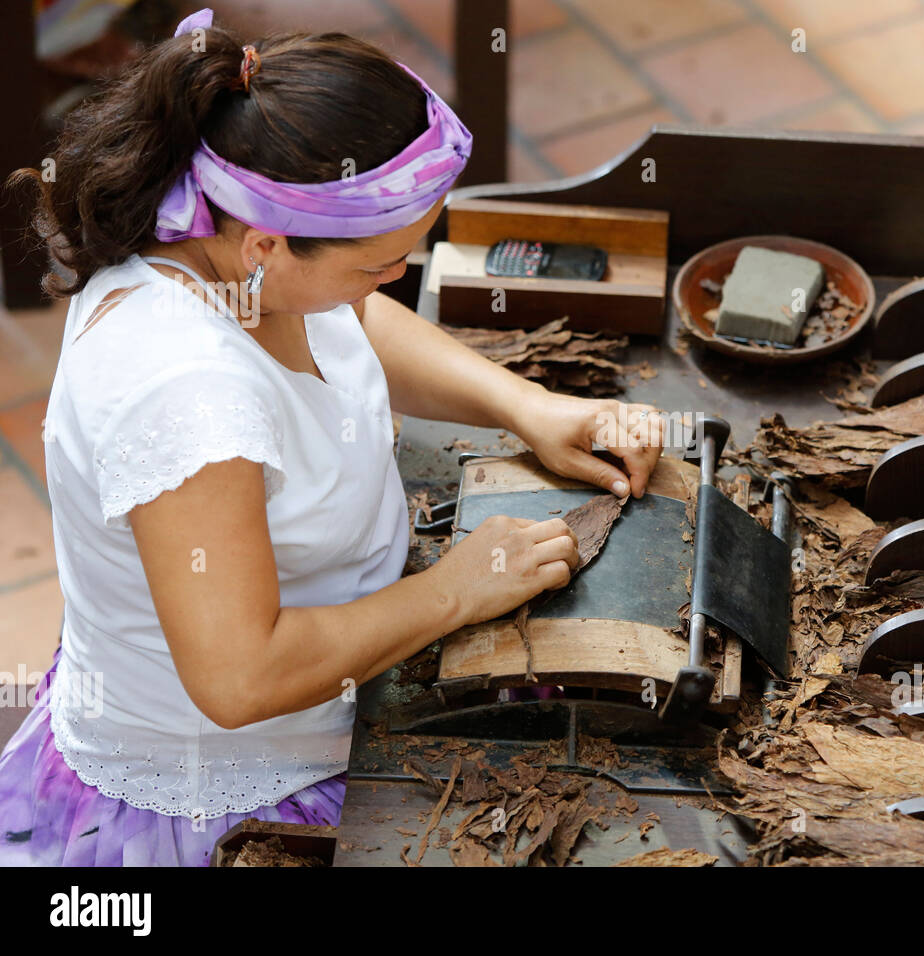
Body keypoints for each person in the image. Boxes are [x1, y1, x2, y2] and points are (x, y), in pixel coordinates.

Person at [0, 7, 663, 866]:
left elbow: (349, 316)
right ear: (267, 245)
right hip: (239, 780)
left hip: (346, 678)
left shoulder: (229, 251)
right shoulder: (184, 397)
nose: (395, 281)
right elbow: (242, 679)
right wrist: (458, 589)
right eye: (379, 262)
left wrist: (524, 405)